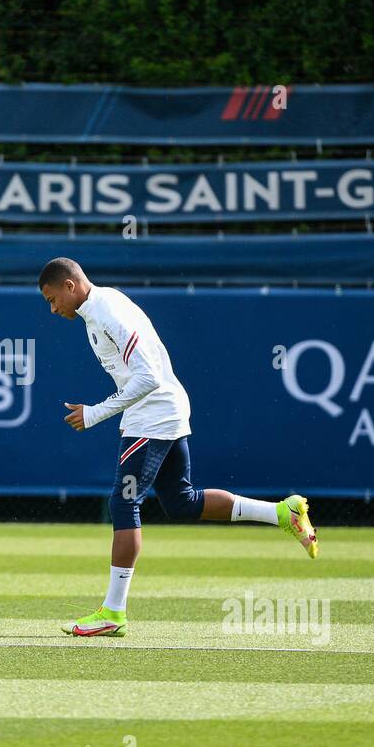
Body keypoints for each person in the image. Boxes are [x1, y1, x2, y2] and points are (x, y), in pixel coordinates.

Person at [38, 257, 318, 637]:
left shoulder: (107, 311)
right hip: (160, 413)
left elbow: (149, 377)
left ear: (70, 286)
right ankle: (283, 513)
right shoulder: (96, 311)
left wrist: (96, 413)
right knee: (180, 501)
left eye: (53, 300)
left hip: (153, 416)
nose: (53, 309)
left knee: (123, 503)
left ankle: (113, 611)